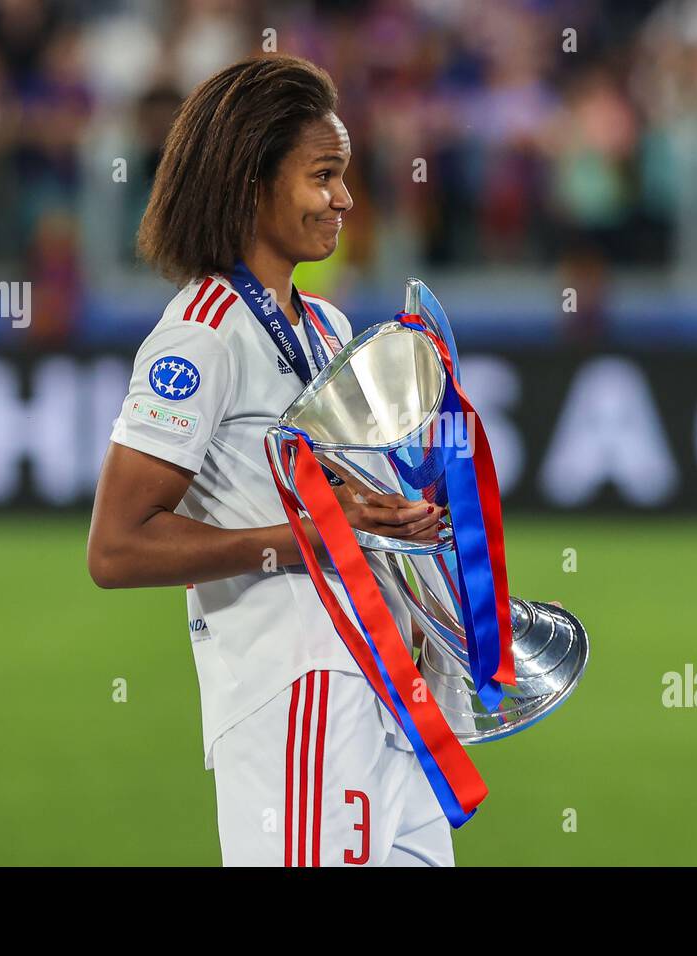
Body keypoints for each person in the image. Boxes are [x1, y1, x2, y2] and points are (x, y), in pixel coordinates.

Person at [86, 54, 455, 866]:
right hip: (300, 694)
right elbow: (116, 548)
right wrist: (304, 540)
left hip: (389, 697)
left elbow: (337, 507)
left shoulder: (322, 325)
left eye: (346, 174)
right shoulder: (202, 332)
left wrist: (400, 520)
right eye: (324, 175)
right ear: (251, 182)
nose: (346, 200)